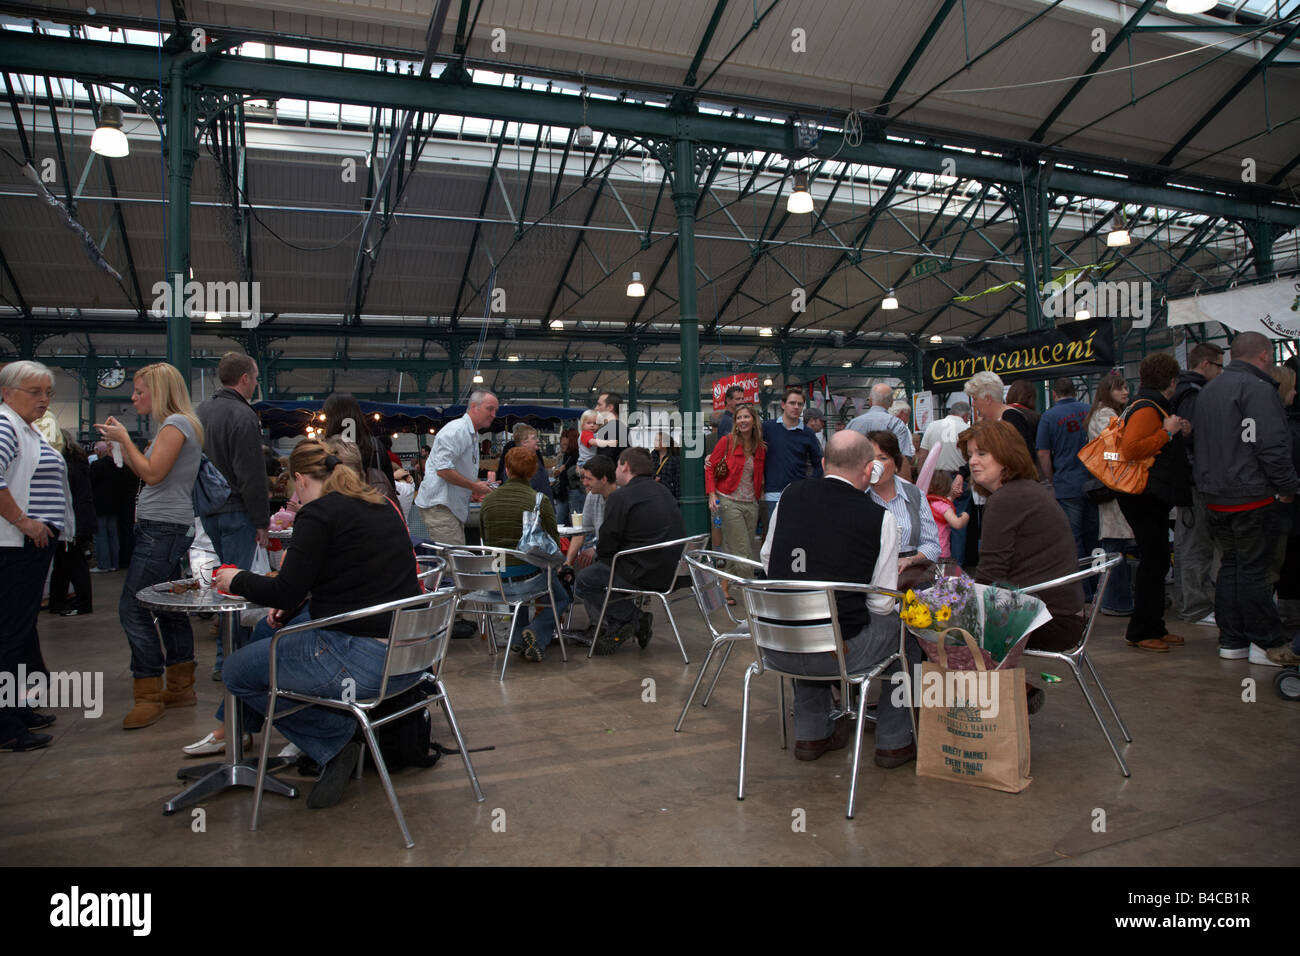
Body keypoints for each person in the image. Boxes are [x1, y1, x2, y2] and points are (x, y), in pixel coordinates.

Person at [212, 440, 422, 809]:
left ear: (299, 480)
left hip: (363, 661)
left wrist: (236, 579)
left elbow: (284, 588)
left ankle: (333, 739)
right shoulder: (381, 504)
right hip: (412, 658)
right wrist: (293, 603)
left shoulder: (318, 514)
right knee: (269, 633)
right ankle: (322, 736)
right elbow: (352, 576)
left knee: (236, 671)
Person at [759, 430, 914, 767]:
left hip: (776, 647)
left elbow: (768, 560)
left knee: (806, 617)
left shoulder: (789, 495)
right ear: (869, 469)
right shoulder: (882, 520)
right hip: (838, 655)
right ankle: (894, 741)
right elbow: (881, 604)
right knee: (908, 631)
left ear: (825, 463)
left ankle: (812, 734)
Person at [94, 363, 205, 730]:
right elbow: (153, 473)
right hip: (167, 526)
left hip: (163, 528)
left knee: (134, 608)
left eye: (139, 391)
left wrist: (124, 440)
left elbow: (153, 474)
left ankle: (148, 692)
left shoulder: (175, 426)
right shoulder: (175, 426)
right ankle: (179, 685)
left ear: (157, 391)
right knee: (169, 608)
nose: (134, 396)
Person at [1193, 331, 1300, 666]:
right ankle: (1267, 642)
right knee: (1255, 569)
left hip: (1216, 495)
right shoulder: (1257, 390)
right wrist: (1287, 486)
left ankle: (1233, 639)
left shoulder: (1209, 391)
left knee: (1232, 567)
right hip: (1252, 494)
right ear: (1265, 355)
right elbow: (1270, 445)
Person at [964, 419, 1083, 712]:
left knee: (935, 631)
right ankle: (1015, 693)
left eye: (982, 453)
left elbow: (990, 579)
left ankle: (923, 725)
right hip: (1062, 611)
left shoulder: (1006, 500)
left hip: (1046, 620)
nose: (973, 462)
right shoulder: (1027, 490)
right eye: (970, 454)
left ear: (1005, 455)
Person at [0, 360, 73, 751]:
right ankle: (5, 725)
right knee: (10, 635)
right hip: (13, 544)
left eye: (48, 392)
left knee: (21, 632)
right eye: (35, 392)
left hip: (27, 545)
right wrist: (24, 521)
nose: (44, 399)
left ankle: (16, 708)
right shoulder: (5, 424)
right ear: (7, 392)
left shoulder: (21, 427)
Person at [197, 351, 271, 681]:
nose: (256, 383)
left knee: (221, 582)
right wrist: (261, 521)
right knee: (237, 587)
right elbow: (251, 474)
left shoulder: (201, 411)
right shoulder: (243, 415)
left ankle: (224, 657)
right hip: (238, 510)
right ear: (243, 379)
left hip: (209, 511)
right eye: (255, 378)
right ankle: (230, 660)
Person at [1114, 353, 1192, 653]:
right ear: (1172, 382)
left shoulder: (1145, 404)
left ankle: (1154, 625)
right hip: (1142, 495)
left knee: (1156, 559)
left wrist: (1172, 430)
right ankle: (1141, 629)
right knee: (1154, 560)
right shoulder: (1147, 408)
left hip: (1144, 495)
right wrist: (1167, 433)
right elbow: (1132, 448)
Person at [575, 448, 685, 654]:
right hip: (674, 572)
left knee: (585, 578)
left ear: (625, 466)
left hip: (644, 573)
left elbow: (606, 547)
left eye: (618, 465)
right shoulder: (663, 491)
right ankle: (622, 624)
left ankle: (632, 619)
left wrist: (601, 554)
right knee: (605, 571)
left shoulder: (621, 497)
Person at [480, 447, 570, 662]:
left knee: (517, 588)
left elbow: (486, 539)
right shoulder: (538, 500)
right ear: (532, 473)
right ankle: (536, 632)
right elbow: (553, 543)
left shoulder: (488, 501)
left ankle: (519, 640)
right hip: (528, 578)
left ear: (507, 470)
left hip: (496, 579)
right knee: (561, 598)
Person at [1170, 342, 1224, 626]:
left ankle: (1192, 603)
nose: (1221, 371)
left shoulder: (1185, 391)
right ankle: (1196, 606)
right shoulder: (1193, 394)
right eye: (1219, 365)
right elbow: (1193, 438)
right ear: (1205, 364)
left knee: (1191, 544)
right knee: (1194, 545)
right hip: (1195, 480)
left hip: (1191, 479)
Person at [1036, 377, 1097, 598]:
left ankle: (1084, 591)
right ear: (1074, 390)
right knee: (1093, 538)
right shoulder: (1089, 410)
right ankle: (1099, 585)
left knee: (1074, 539)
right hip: (1093, 483)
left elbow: (1043, 453)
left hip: (1066, 483)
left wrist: (1052, 478)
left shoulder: (1049, 417)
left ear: (1053, 394)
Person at [414, 390, 498, 545]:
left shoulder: (471, 434)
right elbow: (443, 470)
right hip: (441, 506)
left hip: (448, 507)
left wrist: (474, 487)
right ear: (474, 407)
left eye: (495, 410)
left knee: (453, 559)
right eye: (490, 409)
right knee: (454, 561)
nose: (494, 414)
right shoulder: (457, 431)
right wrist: (474, 486)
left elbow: (455, 469)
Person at [1085, 372, 1136, 616]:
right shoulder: (1107, 416)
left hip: (1111, 486)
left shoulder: (1103, 414)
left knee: (1113, 545)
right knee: (1114, 547)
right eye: (1119, 389)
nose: (1125, 392)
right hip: (1115, 487)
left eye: (1126, 387)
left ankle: (1117, 599)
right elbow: (1113, 451)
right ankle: (1118, 601)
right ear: (1107, 392)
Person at [705, 402, 765, 604]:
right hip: (729, 501)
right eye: (739, 418)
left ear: (753, 420)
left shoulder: (760, 447)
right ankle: (753, 596)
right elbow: (710, 467)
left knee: (740, 549)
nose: (742, 421)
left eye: (746, 417)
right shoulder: (727, 441)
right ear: (735, 422)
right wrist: (712, 494)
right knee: (743, 550)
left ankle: (723, 587)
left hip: (751, 503)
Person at [865, 430, 941, 589]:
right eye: (870, 458)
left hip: (911, 578)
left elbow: (932, 544)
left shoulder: (913, 494)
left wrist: (911, 560)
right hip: (870, 579)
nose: (875, 464)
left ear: (896, 463)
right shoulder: (859, 495)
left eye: (883, 458)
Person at [759, 388, 823, 537]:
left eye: (800, 404)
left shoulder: (807, 434)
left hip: (798, 494)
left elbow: (819, 463)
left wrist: (810, 484)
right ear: (783, 405)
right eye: (792, 403)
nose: (796, 407)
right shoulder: (768, 428)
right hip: (772, 494)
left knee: (796, 536)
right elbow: (747, 446)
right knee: (772, 538)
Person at [918, 400, 972, 558]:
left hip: (935, 479)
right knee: (958, 523)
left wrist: (923, 482)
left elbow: (923, 455)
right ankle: (956, 564)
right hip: (959, 478)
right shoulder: (967, 428)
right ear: (966, 415)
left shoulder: (932, 426)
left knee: (933, 522)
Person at [48, 430, 94, 616]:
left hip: (72, 522)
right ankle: (57, 602)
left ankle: (81, 604)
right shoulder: (78, 461)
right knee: (64, 565)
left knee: (73, 565)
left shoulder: (66, 465)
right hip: (77, 520)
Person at [322, 393, 396, 501]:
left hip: (339, 509)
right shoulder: (375, 445)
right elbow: (389, 483)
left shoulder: (327, 448)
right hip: (373, 506)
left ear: (332, 418)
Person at [964, 371, 1038, 469]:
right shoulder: (987, 420)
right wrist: (962, 474)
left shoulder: (1012, 418)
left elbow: (1024, 457)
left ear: (987, 399)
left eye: (975, 399)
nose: (973, 404)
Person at [846, 383, 914, 479]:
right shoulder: (896, 424)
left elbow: (845, 456)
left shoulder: (853, 423)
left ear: (870, 401)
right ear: (891, 403)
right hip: (887, 481)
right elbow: (903, 459)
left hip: (857, 480)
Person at [565, 454, 617, 570]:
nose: (584, 483)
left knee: (585, 567)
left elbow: (619, 539)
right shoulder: (592, 496)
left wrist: (595, 549)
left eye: (589, 479)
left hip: (619, 558)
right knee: (579, 563)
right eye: (583, 478)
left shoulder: (622, 497)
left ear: (603, 479)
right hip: (603, 552)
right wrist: (567, 563)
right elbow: (581, 533)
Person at [89, 440, 120, 572]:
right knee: (113, 535)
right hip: (114, 504)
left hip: (99, 505)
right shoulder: (116, 465)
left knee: (101, 535)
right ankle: (114, 563)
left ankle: (103, 564)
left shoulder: (95, 465)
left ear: (98, 451)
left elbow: (91, 484)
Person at [496, 423, 551, 497]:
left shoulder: (535, 458)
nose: (537, 440)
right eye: (534, 438)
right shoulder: (516, 462)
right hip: (530, 505)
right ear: (524, 442)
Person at [925, 470, 968, 562]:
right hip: (941, 553)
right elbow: (957, 524)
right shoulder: (943, 506)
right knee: (942, 576)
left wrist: (952, 498)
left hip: (926, 551)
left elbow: (940, 505)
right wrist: (965, 516)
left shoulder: (926, 503)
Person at [551, 428, 581, 524]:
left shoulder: (577, 456)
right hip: (563, 491)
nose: (562, 446)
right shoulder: (565, 456)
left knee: (575, 521)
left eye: (565, 445)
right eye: (561, 444)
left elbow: (576, 474)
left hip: (574, 490)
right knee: (561, 520)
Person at [651, 431, 681, 500]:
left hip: (669, 497)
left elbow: (677, 481)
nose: (654, 442)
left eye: (657, 440)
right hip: (654, 496)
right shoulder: (652, 457)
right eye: (654, 440)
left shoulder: (674, 460)